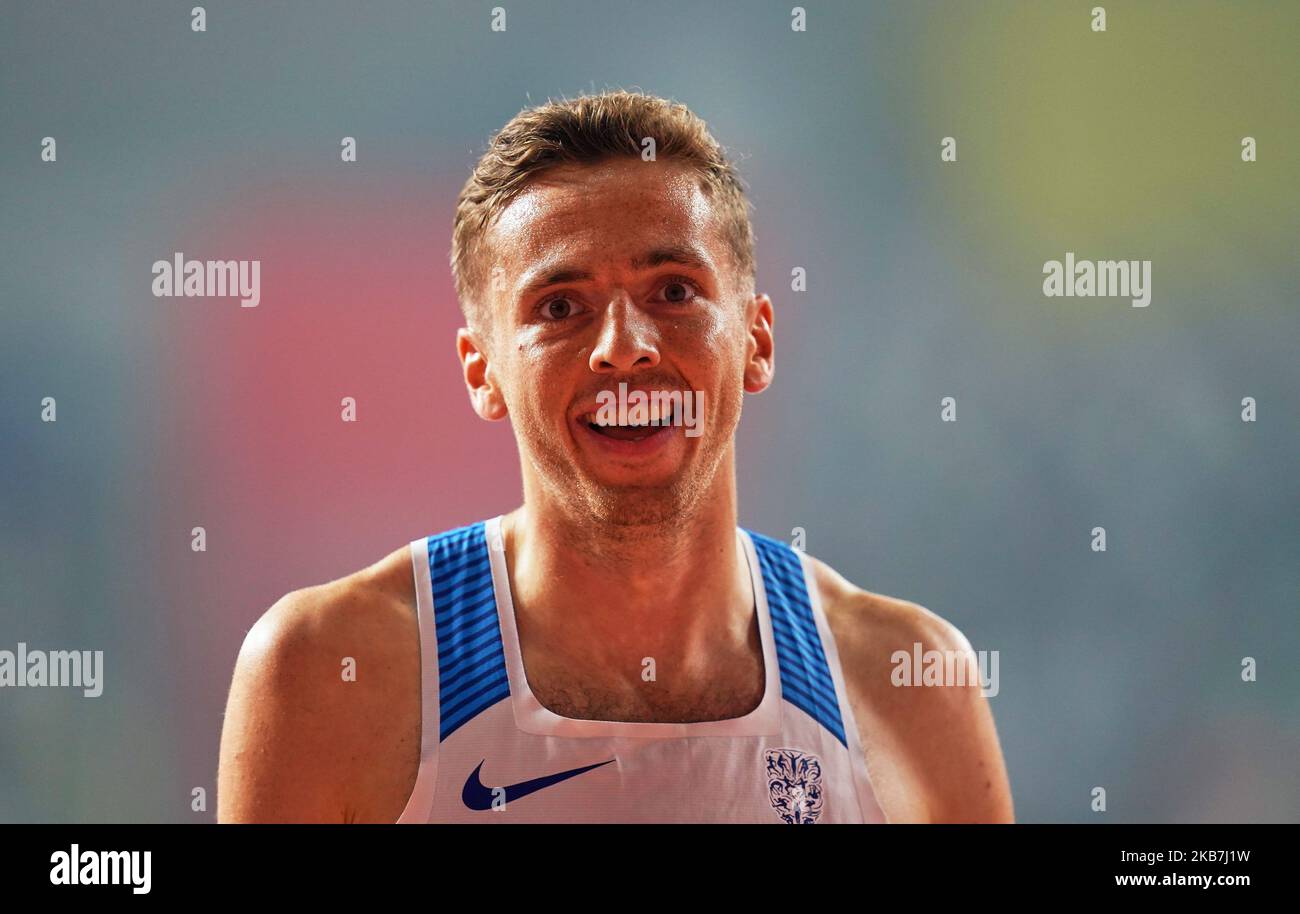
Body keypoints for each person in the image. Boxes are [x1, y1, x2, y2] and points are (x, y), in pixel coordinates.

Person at [217, 89, 1014, 824]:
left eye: (674, 291)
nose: (625, 347)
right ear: (482, 371)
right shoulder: (331, 670)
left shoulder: (909, 681)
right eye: (561, 306)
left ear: (757, 340)